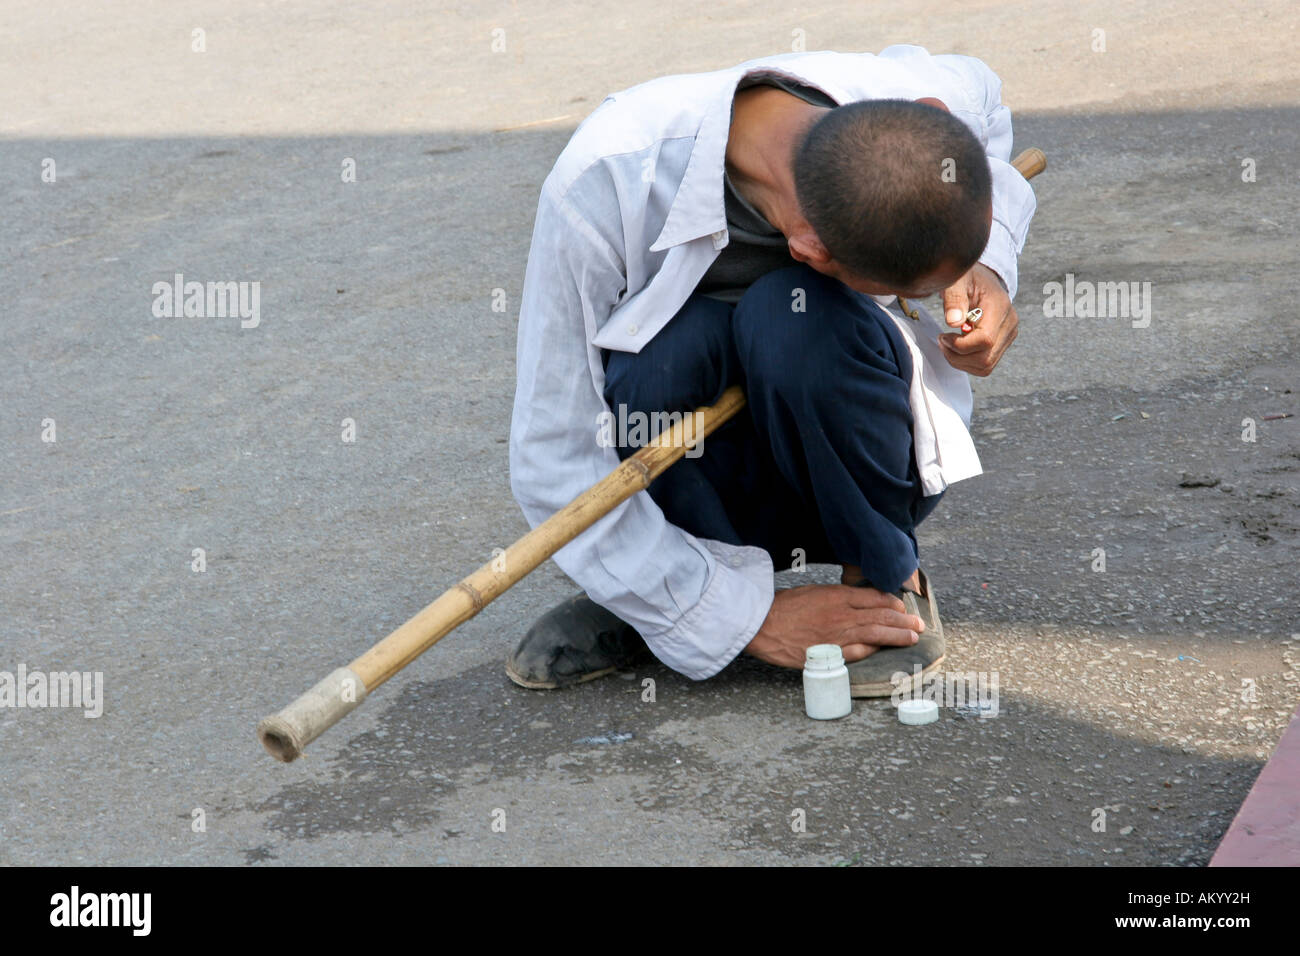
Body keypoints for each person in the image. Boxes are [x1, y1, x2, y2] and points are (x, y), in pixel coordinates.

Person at [505, 45, 1036, 695]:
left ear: (926, 113)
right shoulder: (606, 178)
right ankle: (669, 585)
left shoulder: (913, 92)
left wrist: (989, 265)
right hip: (695, 468)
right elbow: (552, 450)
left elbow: (985, 104)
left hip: (848, 444)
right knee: (664, 356)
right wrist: (741, 620)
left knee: (795, 320)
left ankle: (879, 573)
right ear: (809, 246)